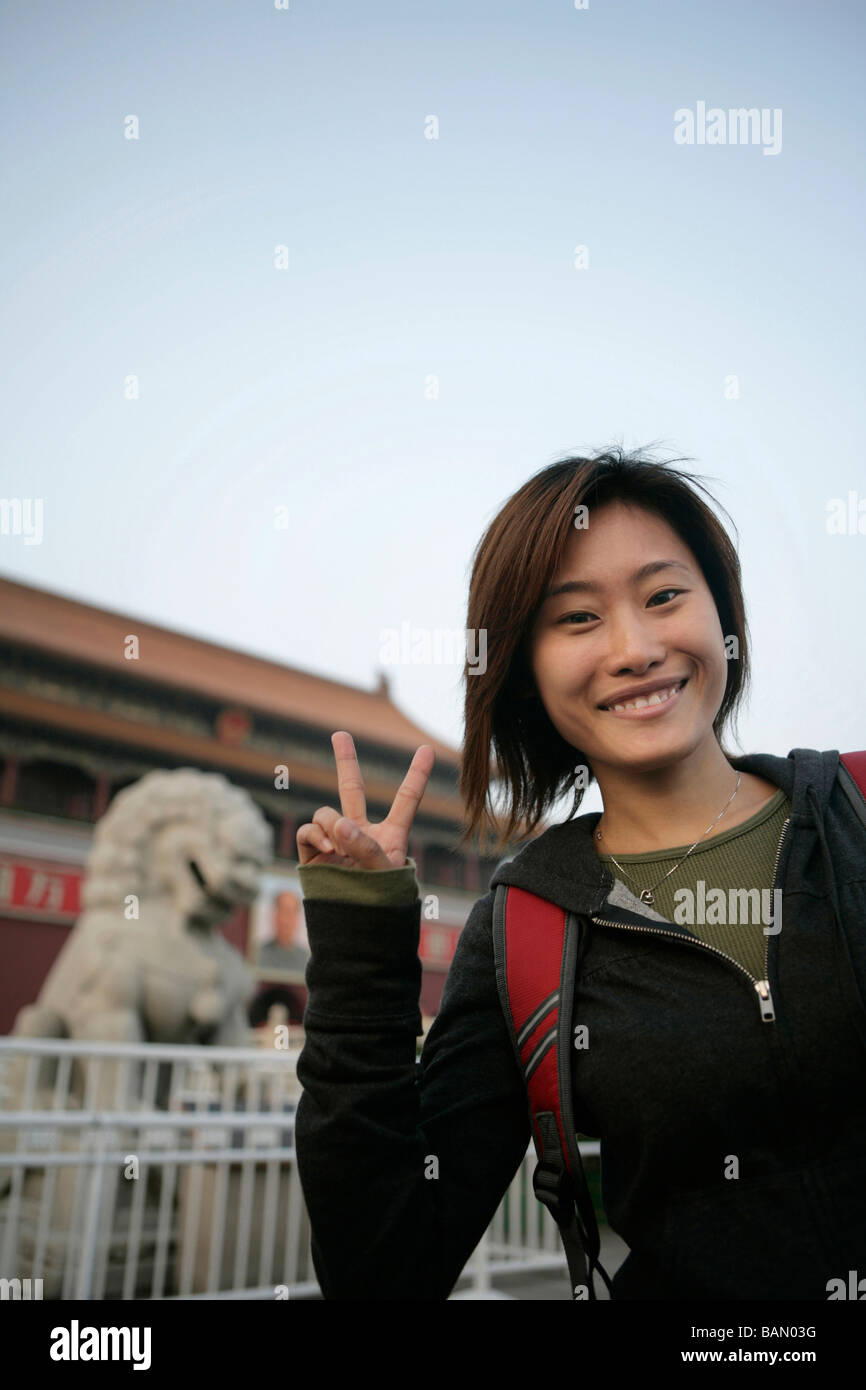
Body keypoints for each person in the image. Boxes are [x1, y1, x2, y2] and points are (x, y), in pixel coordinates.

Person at [293, 445, 866, 1300]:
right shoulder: (526, 926)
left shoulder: (854, 808)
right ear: (526, 668)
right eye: (577, 619)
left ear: (723, 616)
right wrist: (360, 942)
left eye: (664, 596)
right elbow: (384, 1270)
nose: (635, 649)